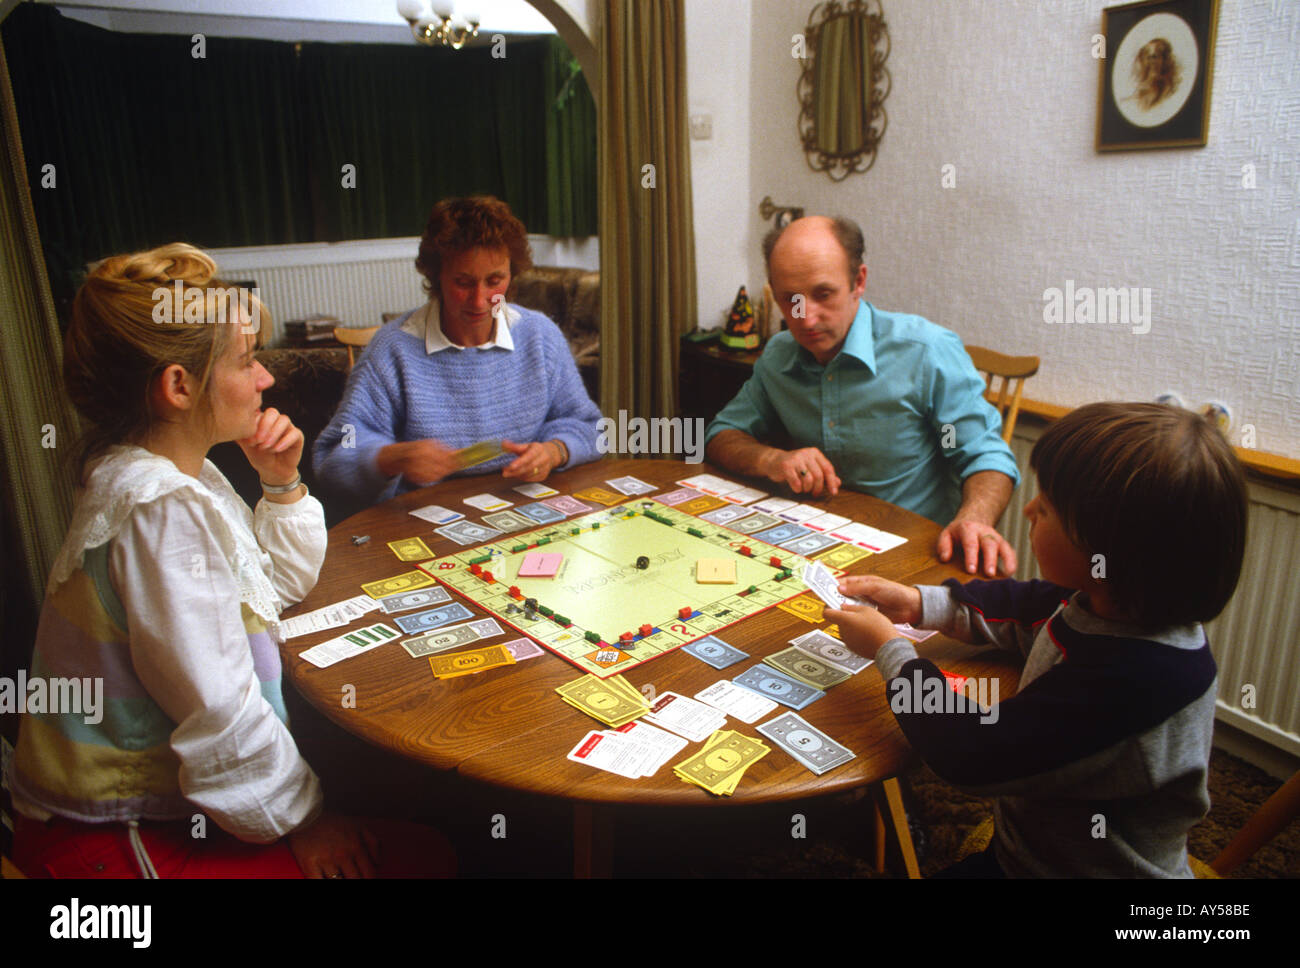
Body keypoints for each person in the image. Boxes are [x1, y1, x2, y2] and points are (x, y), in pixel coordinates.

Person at [11, 244, 453, 878]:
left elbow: (277, 588)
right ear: (178, 387)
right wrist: (306, 819)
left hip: (154, 810)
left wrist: (282, 483)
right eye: (247, 361)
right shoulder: (160, 507)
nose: (266, 379)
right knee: (423, 858)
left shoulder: (175, 476)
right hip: (110, 836)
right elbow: (220, 713)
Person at [825, 403, 1247, 877]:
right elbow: (1023, 606)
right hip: (1030, 848)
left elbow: (969, 754)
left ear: (1107, 552)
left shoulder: (1135, 682)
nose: (1027, 509)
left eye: (1045, 509)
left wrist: (891, 649)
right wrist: (919, 604)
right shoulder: (1112, 600)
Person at [705, 215, 1021, 577]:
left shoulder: (926, 351)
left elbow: (987, 457)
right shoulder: (777, 356)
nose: (806, 318)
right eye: (790, 300)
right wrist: (770, 459)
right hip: (812, 550)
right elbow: (721, 435)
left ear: (858, 281)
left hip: (914, 558)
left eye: (823, 294)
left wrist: (973, 519)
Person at [313, 195, 602, 504]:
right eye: (463, 282)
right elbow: (332, 460)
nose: (479, 301)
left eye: (494, 281)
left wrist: (554, 451)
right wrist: (391, 458)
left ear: (512, 275)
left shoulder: (539, 335)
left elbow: (589, 427)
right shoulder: (392, 349)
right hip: (421, 518)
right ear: (437, 276)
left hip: (522, 504)